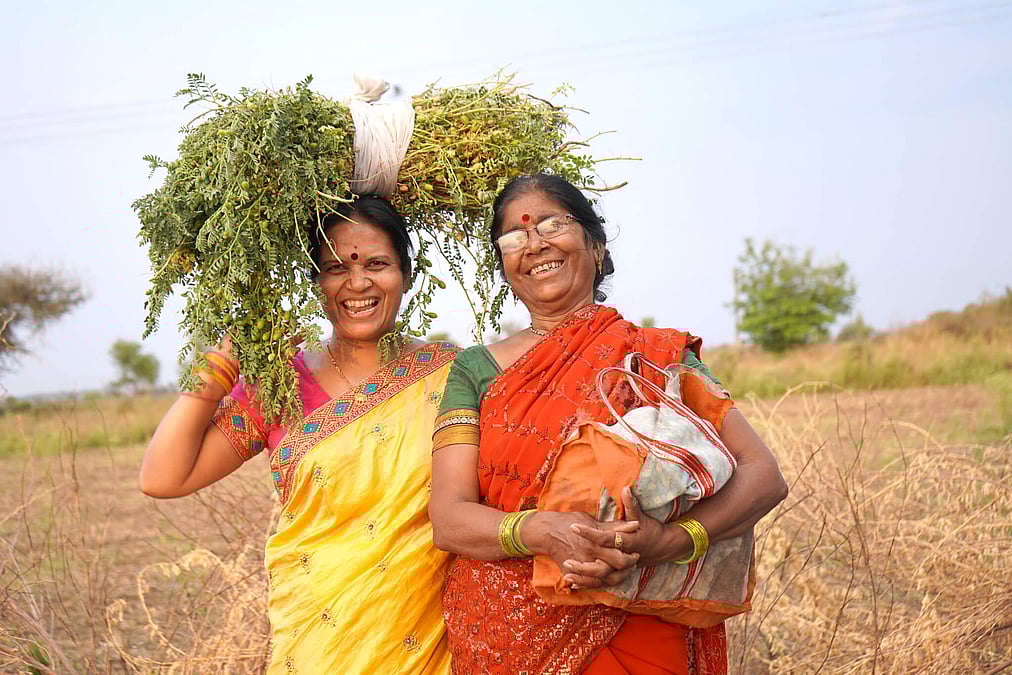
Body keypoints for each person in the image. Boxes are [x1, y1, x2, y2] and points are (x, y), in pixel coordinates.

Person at [428, 174, 789, 674]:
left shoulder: (655, 355)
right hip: (501, 634)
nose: (535, 243)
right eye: (514, 236)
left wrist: (672, 541)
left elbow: (763, 476)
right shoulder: (475, 370)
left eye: (554, 224)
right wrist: (541, 531)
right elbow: (449, 518)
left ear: (596, 246)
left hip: (636, 621)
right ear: (506, 268)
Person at [139, 196, 457, 674]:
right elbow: (162, 478)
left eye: (377, 263)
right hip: (318, 640)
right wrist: (214, 375)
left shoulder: (453, 375)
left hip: (429, 638)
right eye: (335, 268)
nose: (358, 282)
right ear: (316, 282)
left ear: (408, 274)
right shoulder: (281, 386)